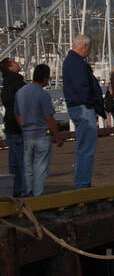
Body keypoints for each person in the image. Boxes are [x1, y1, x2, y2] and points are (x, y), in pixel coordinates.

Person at [62, 35, 105, 190]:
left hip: (78, 106)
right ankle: (82, 182)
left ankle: (83, 181)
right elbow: (82, 86)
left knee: (84, 146)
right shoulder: (77, 63)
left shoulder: (71, 62)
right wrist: (91, 103)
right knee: (86, 147)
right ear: (84, 46)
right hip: (83, 108)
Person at [15, 64, 63, 197]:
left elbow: (17, 114)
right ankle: (38, 194)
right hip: (42, 134)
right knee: (40, 167)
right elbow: (49, 117)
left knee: (28, 167)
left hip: (27, 134)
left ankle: (28, 192)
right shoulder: (43, 94)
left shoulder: (21, 92)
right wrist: (57, 135)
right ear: (45, 78)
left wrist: (23, 126)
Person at [1, 56, 25, 196]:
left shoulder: (6, 85)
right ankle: (25, 190)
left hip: (9, 125)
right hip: (18, 126)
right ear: (10, 67)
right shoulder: (18, 83)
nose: (17, 64)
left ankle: (14, 190)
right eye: (14, 63)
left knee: (14, 162)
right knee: (23, 161)